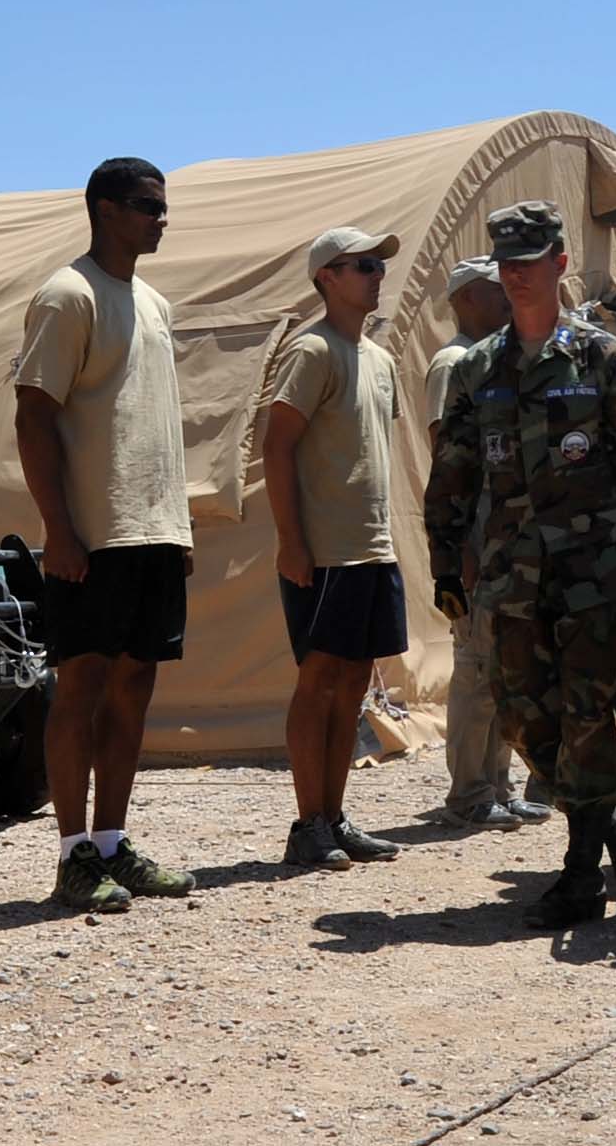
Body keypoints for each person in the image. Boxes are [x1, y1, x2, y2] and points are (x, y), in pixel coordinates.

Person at [425, 201, 616, 926]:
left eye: (531, 261)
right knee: (525, 718)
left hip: (595, 570)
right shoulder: (478, 368)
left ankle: (580, 870)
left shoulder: (603, 358)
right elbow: (454, 471)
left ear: (561, 264)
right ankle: (610, 820)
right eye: (508, 265)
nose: (519, 275)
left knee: (589, 713)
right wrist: (445, 558)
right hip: (512, 574)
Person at [15, 158, 197, 913]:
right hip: (93, 531)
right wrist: (59, 528)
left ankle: (115, 844)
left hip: (153, 529)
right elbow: (33, 414)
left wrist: (175, 523)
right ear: (103, 209)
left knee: (136, 684)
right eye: (146, 206)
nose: (161, 218)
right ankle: (71, 855)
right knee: (80, 686)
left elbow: (152, 419)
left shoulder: (153, 302)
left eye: (162, 206)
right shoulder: (67, 295)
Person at [265, 226, 410, 870]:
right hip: (324, 551)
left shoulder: (379, 360)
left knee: (354, 682)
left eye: (379, 265)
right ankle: (306, 824)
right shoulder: (312, 351)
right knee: (319, 680)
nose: (376, 274)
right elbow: (277, 446)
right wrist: (292, 542)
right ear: (327, 276)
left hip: (372, 546)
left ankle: (335, 816)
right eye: (362, 265)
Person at [425, 256, 550, 832]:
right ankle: (470, 791)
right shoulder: (456, 363)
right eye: (496, 292)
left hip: (498, 533)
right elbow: (447, 457)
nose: (507, 301)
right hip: (474, 530)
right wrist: (459, 546)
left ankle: (496, 785)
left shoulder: (495, 362)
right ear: (469, 298)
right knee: (475, 663)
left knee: (501, 664)